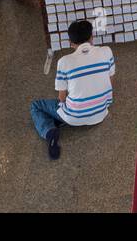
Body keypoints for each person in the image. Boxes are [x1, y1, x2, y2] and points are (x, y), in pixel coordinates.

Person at [30, 19, 115, 160]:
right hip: (101, 113)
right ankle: (60, 120)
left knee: (36, 106)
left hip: (74, 117)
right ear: (92, 37)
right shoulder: (107, 51)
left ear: (71, 43)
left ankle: (50, 132)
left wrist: (65, 108)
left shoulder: (64, 61)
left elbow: (61, 97)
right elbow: (110, 81)